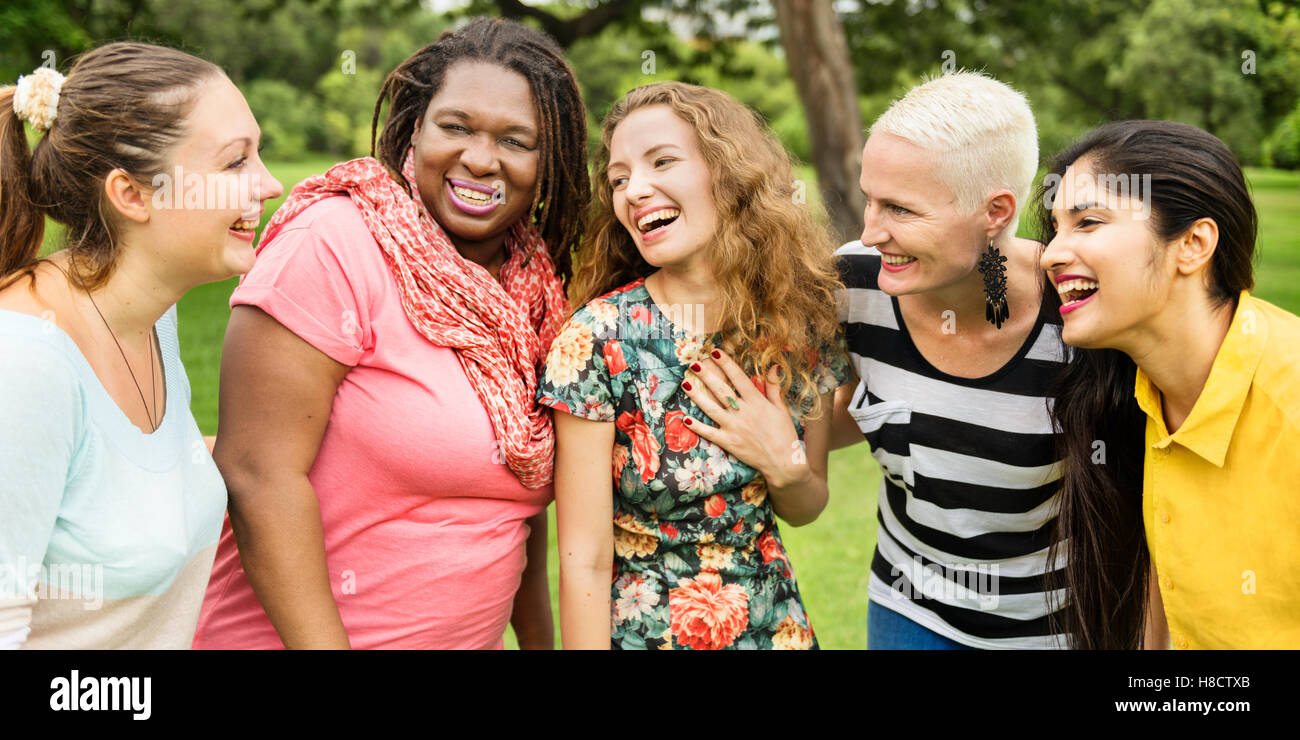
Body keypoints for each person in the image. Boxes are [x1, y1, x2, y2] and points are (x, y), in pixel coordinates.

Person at [191, 18, 589, 649]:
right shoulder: (337, 242)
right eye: (455, 127)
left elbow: (512, 513)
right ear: (413, 129)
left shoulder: (535, 293)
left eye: (516, 140)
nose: (480, 159)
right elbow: (256, 474)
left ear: (551, 162)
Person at [538, 81, 850, 650]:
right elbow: (582, 561)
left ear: (727, 172)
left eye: (662, 162)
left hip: (774, 633)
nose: (635, 189)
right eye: (619, 178)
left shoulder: (798, 322)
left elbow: (808, 506)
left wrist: (786, 463)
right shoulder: (596, 340)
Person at [0, 42, 283, 648]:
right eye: (235, 163)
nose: (271, 184)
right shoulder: (26, 366)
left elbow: (127, 471)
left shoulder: (153, 318)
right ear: (132, 195)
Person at [831, 71, 1070, 649]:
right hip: (907, 610)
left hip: (1052, 626)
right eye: (869, 200)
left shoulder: (1077, 311)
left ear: (995, 211)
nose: (870, 232)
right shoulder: (856, 283)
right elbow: (849, 414)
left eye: (900, 210)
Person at [1039, 120, 1300, 650]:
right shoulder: (1141, 392)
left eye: (1088, 221)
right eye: (1056, 227)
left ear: (1193, 244)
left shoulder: (1289, 402)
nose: (1049, 254)